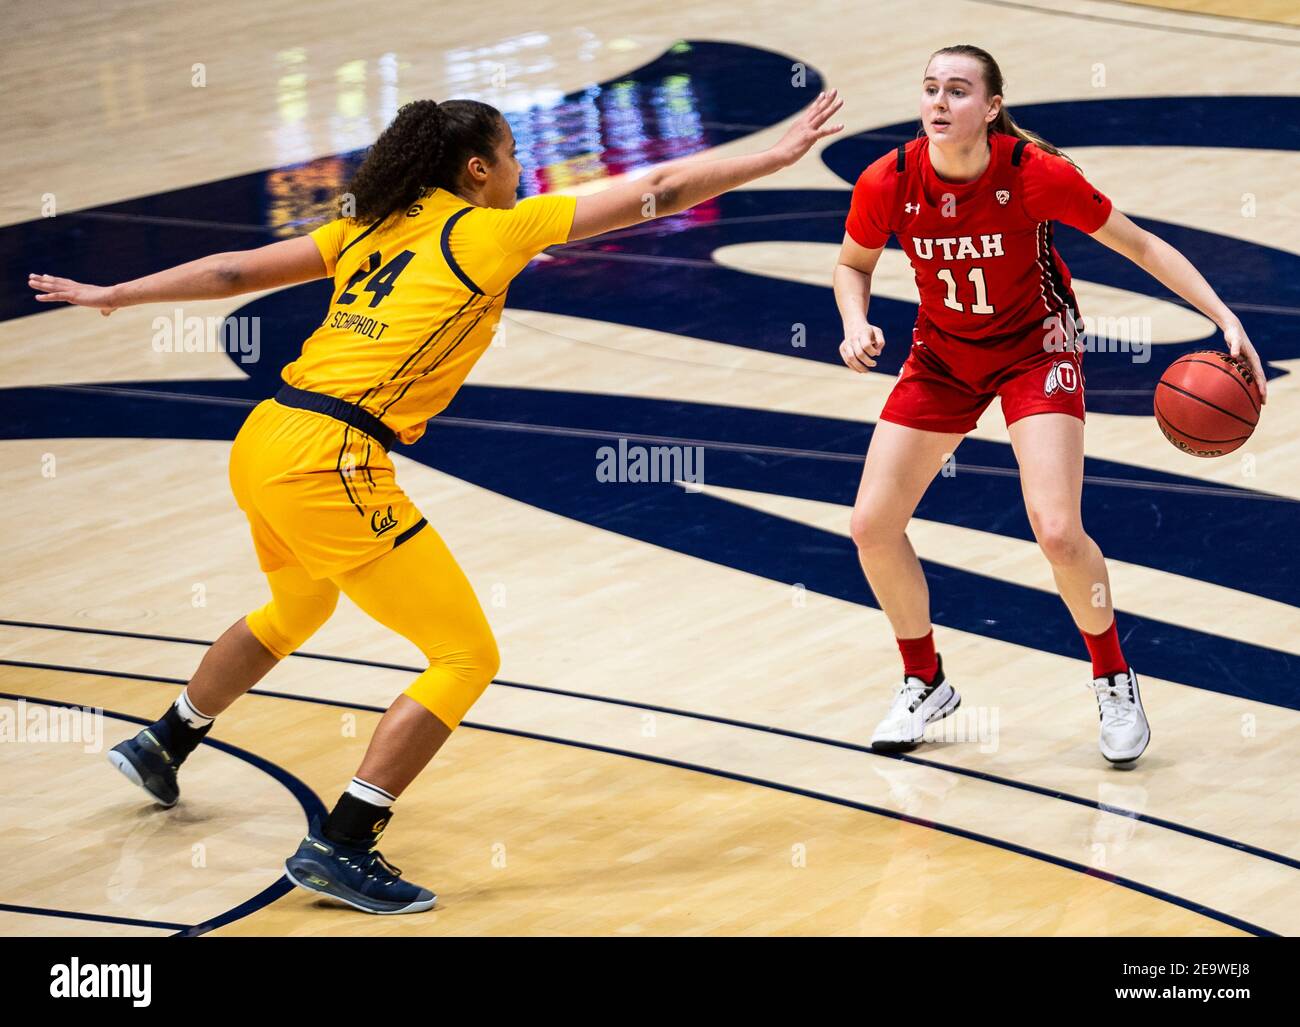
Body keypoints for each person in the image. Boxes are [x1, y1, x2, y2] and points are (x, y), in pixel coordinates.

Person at [29, 89, 845, 913]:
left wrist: (118, 293)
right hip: (329, 459)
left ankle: (165, 739)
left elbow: (234, 270)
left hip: (266, 435)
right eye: (513, 156)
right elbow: (658, 192)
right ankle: (342, 842)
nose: (525, 171)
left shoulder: (369, 228)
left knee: (296, 608)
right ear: (477, 169)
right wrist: (771, 156)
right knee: (465, 655)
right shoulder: (489, 230)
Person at [833, 45, 1266, 764]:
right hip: (942, 357)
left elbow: (1143, 246)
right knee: (871, 526)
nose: (940, 103)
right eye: (931, 89)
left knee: (1058, 530)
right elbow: (853, 263)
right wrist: (854, 320)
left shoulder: (1034, 176)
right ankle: (924, 679)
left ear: (992, 108)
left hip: (1038, 349)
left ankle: (1113, 677)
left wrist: (1225, 317)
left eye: (959, 91)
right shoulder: (891, 179)